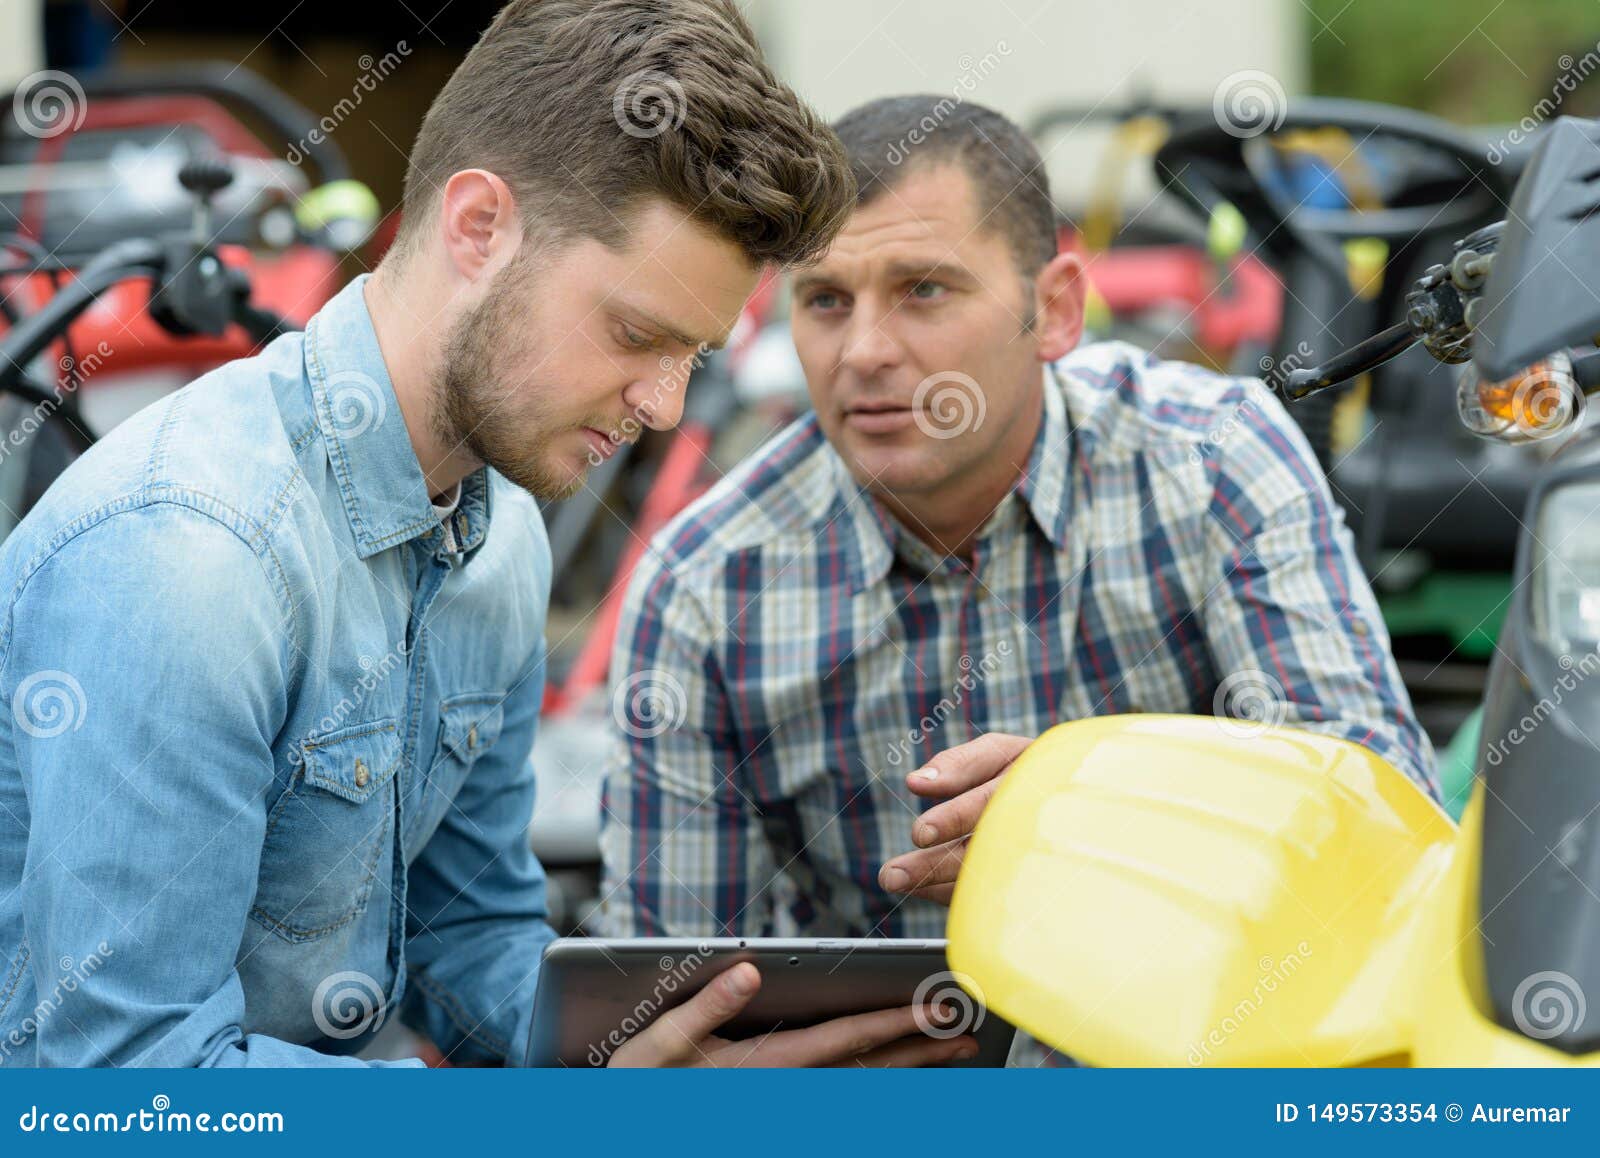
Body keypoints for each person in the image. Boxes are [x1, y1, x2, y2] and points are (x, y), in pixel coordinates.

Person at [0, 1, 976, 1069]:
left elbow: (466, 936)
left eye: (692, 354)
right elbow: (132, 1092)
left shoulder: (498, 539)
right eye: (637, 333)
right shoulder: (189, 558)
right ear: (478, 227)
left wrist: (648, 1050)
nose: (659, 402)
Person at [598, 96, 1435, 956]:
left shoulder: (1213, 460)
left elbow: (1391, 816)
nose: (863, 352)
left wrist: (1100, 803)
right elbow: (671, 992)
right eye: (824, 301)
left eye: (924, 289)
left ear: (1057, 311)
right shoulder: (706, 586)